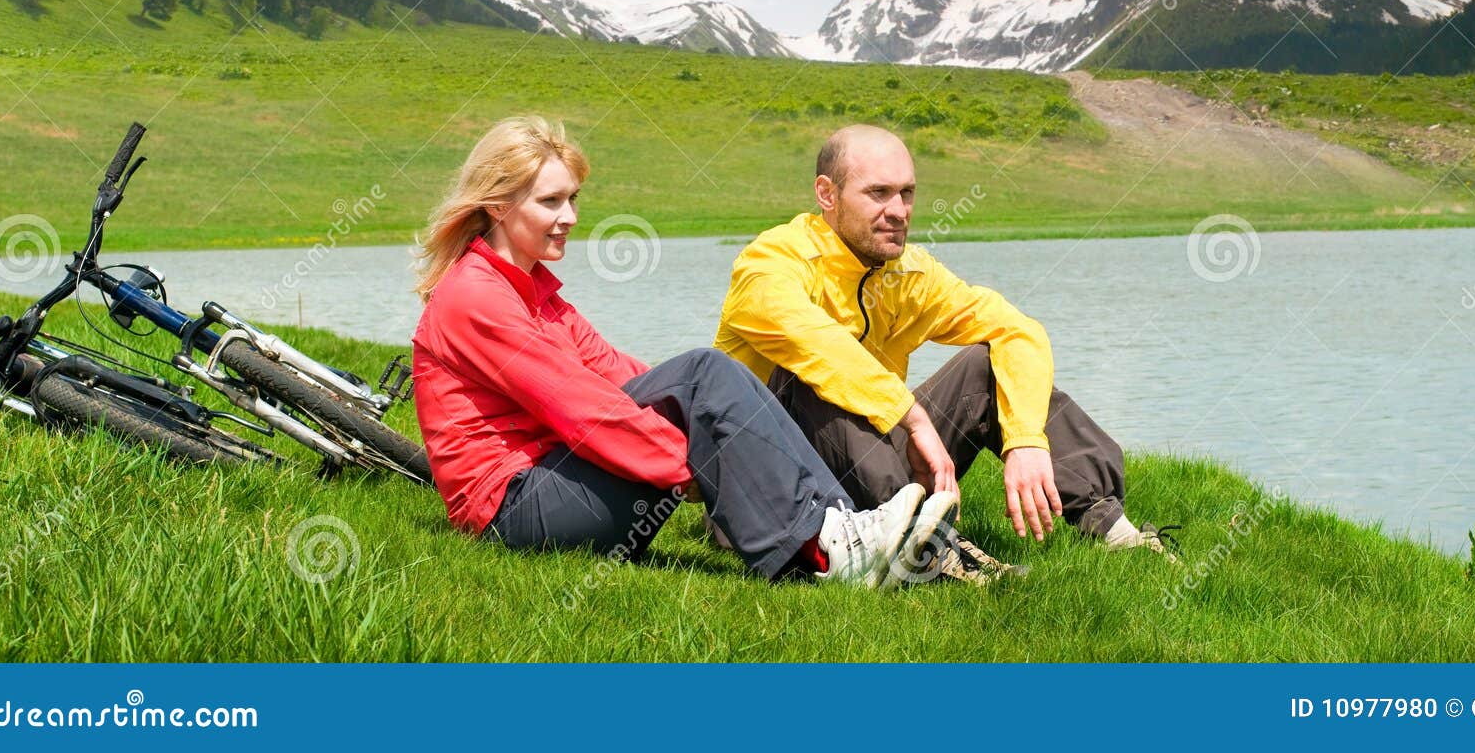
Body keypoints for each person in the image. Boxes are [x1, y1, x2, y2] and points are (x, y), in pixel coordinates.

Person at [410, 115, 959, 589]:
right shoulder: (476, 297)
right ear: (499, 206)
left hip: (558, 487)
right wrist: (691, 459)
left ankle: (839, 536)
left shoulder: (534, 292)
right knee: (703, 374)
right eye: (551, 201)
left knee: (708, 375)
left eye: (573, 198)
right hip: (518, 512)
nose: (570, 216)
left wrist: (713, 432)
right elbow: (582, 410)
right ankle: (836, 544)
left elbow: (619, 374)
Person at [715, 124, 1178, 583]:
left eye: (907, 193)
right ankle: (929, 548)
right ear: (827, 194)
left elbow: (1017, 332)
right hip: (769, 492)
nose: (898, 211)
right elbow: (813, 343)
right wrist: (911, 416)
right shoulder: (770, 261)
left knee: (986, 366)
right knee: (811, 374)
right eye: (878, 193)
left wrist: (1025, 439)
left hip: (868, 460)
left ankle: (1112, 528)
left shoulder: (909, 274)